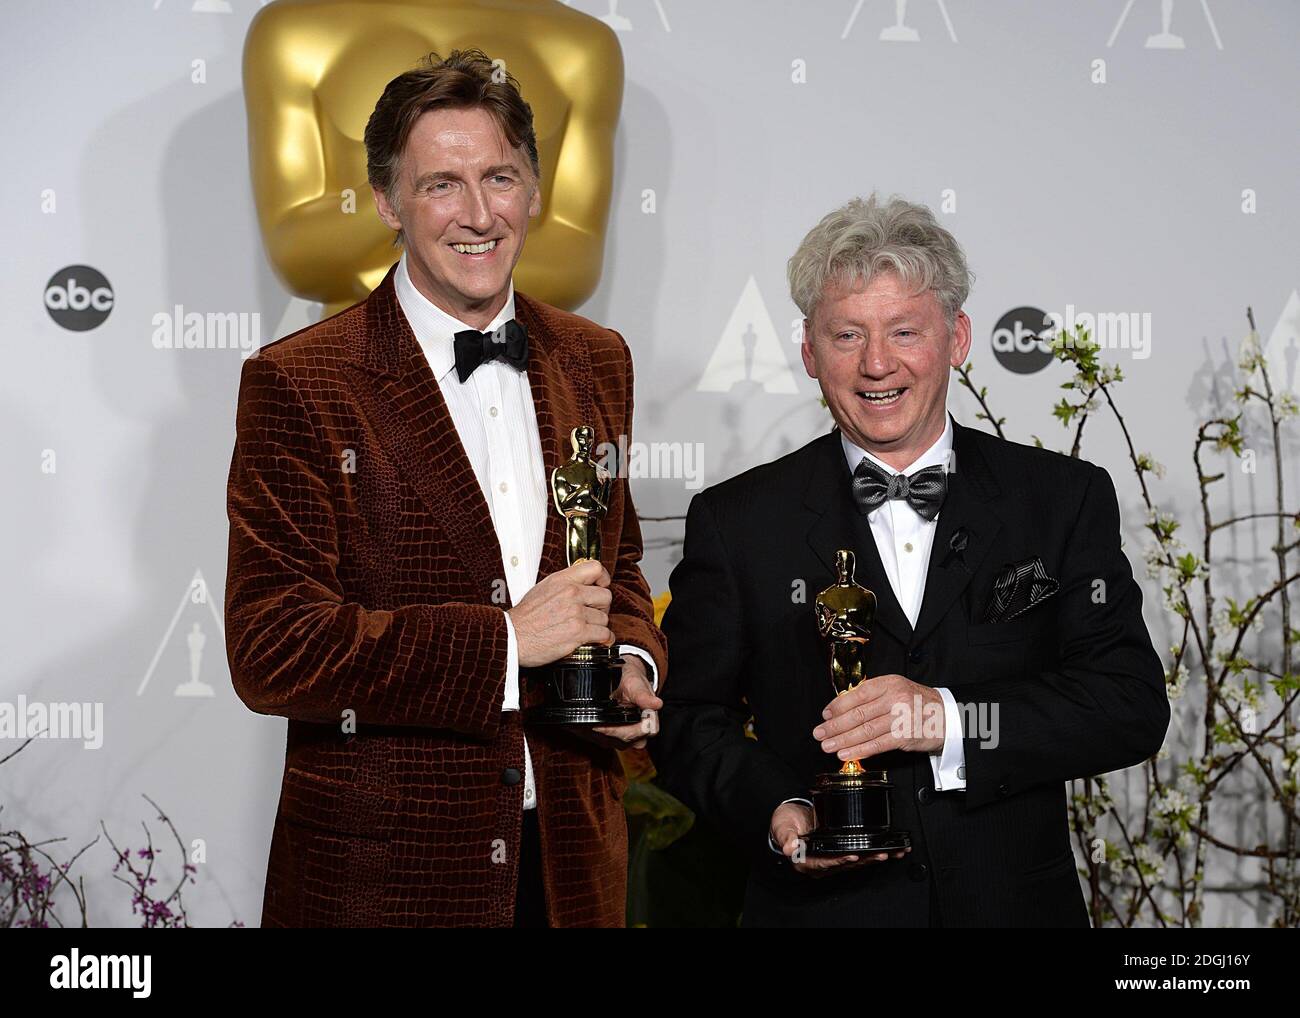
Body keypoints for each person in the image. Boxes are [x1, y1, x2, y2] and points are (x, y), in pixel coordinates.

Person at [224, 50, 664, 927]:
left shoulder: (596, 358)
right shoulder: (302, 382)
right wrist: (505, 646)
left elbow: (618, 566)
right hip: (386, 884)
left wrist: (631, 659)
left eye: (499, 177)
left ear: (534, 189)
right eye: (441, 185)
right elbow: (274, 646)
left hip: (573, 873)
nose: (477, 214)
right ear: (388, 203)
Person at [649, 193, 1169, 927]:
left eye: (904, 331)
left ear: (956, 339)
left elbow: (1129, 705)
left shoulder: (1058, 500)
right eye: (846, 335)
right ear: (807, 350)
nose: (877, 364)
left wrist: (949, 719)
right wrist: (780, 809)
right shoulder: (737, 521)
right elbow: (689, 720)